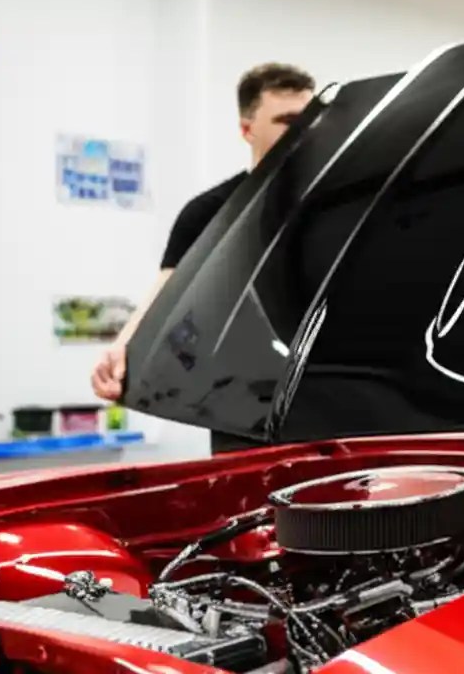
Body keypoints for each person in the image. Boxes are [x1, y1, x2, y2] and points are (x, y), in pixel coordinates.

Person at [91, 62, 316, 453]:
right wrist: (122, 348)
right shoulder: (208, 212)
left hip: (330, 403)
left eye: (309, 120)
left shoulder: (338, 206)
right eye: (286, 121)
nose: (303, 131)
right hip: (244, 410)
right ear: (247, 130)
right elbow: (165, 295)